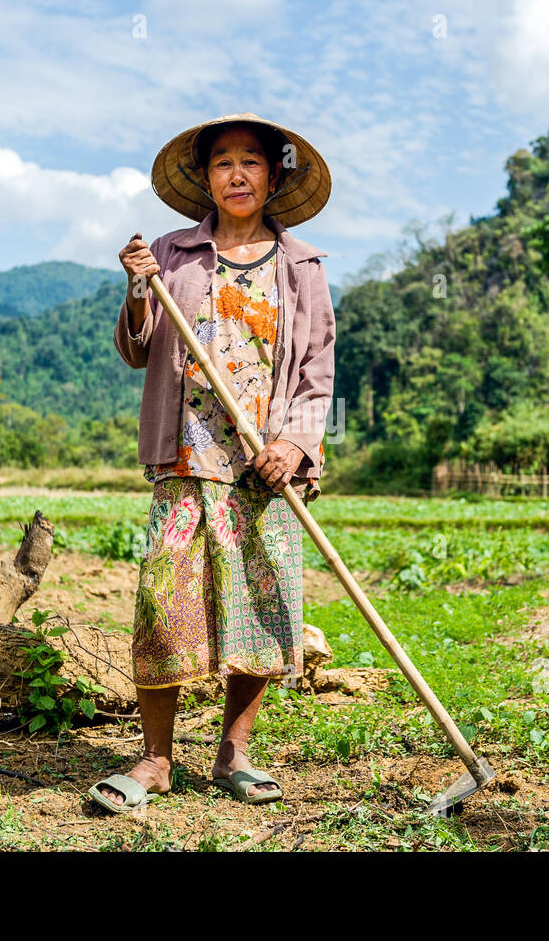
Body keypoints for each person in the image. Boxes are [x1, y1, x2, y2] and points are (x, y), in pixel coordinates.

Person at [90, 112, 335, 811]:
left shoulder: (302, 268)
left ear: (275, 175)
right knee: (162, 608)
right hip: (185, 455)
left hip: (265, 467)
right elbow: (138, 347)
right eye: (222, 162)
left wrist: (294, 445)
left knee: (260, 608)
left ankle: (235, 755)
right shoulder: (172, 254)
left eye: (250, 162)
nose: (236, 174)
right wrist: (138, 286)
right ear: (204, 178)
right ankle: (156, 760)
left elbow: (317, 372)